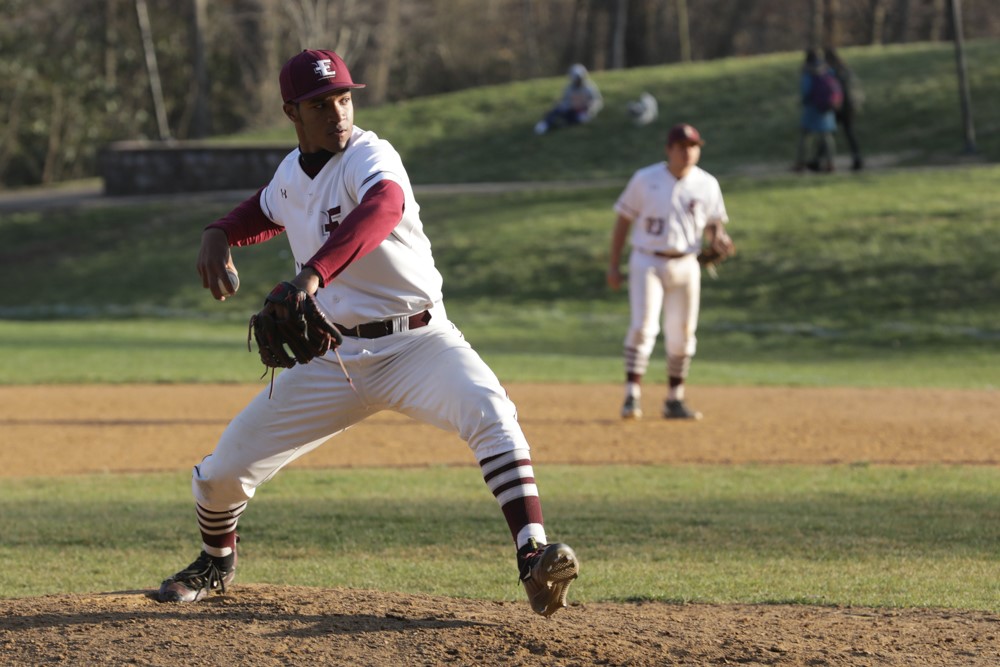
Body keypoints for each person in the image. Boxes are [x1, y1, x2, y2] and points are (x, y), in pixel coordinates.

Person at [156, 49, 579, 617]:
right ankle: (216, 561)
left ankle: (533, 558)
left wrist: (311, 274)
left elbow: (383, 208)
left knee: (493, 415)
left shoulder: (370, 155)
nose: (337, 112)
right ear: (291, 112)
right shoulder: (291, 173)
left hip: (419, 344)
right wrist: (219, 232)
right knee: (219, 475)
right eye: (320, 104)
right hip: (333, 355)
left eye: (343, 98)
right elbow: (266, 207)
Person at [607, 123, 731, 421]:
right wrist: (613, 265)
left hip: (687, 263)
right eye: (682, 146)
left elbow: (714, 224)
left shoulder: (707, 183)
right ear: (669, 149)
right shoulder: (645, 178)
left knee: (683, 333)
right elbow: (623, 222)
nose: (688, 152)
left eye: (694, 146)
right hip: (647, 260)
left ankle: (674, 399)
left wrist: (719, 240)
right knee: (643, 326)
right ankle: (632, 396)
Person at [793, 49, 837, 173]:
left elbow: (806, 91)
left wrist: (804, 101)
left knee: (805, 136)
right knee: (826, 136)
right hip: (826, 107)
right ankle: (830, 163)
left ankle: (800, 163)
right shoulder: (827, 70)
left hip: (812, 108)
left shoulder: (808, 72)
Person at [824, 47, 864, 171]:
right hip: (850, 105)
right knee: (849, 133)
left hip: (840, 106)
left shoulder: (832, 72)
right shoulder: (846, 70)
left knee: (828, 133)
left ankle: (819, 159)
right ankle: (857, 158)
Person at [534, 64, 603, 135]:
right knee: (556, 112)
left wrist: (591, 108)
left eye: (579, 78)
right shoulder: (569, 88)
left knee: (578, 119)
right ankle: (544, 125)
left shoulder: (589, 88)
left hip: (583, 112)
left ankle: (563, 124)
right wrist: (559, 107)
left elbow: (597, 101)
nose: (577, 81)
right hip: (571, 110)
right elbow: (565, 101)